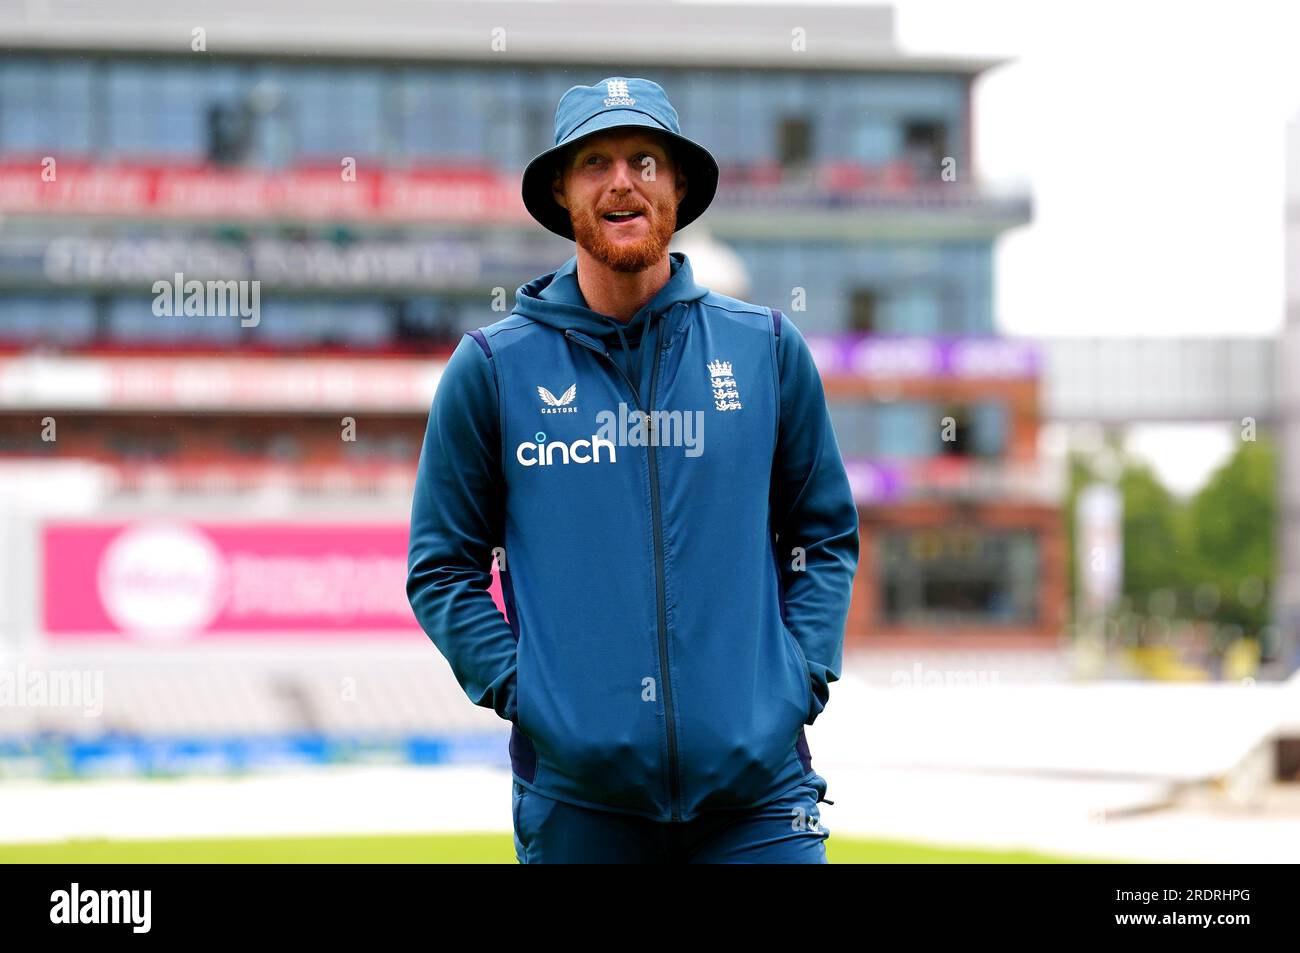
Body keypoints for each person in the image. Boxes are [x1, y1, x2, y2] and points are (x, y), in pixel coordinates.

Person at [406, 77, 860, 863]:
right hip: (582, 808)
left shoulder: (767, 350)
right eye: (595, 162)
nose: (623, 180)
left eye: (646, 160)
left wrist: (799, 679)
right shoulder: (491, 369)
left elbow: (824, 537)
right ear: (561, 190)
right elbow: (441, 567)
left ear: (677, 187)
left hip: (759, 803)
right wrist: (535, 695)